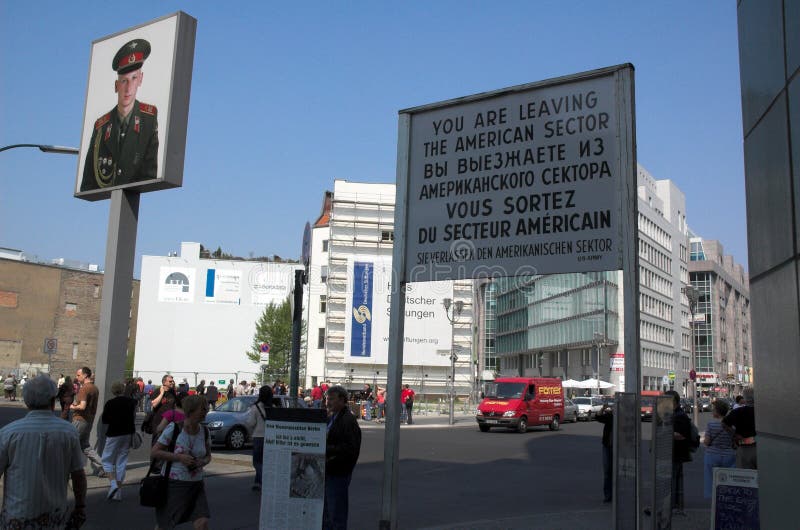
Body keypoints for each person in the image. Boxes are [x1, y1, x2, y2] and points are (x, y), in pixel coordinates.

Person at [0, 375, 87, 528]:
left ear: (27, 402)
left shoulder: (9, 433)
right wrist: (80, 507)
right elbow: (78, 475)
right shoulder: (69, 432)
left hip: (17, 518)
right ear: (53, 401)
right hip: (55, 518)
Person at [80, 38, 158, 192]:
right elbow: (88, 184)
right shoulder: (101, 127)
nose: (128, 88)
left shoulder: (148, 119)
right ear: (116, 86)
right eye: (124, 81)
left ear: (140, 79)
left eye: (133, 79)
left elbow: (150, 175)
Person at [151, 395, 212, 530]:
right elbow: (155, 452)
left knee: (202, 523)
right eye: (202, 409)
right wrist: (179, 458)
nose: (206, 412)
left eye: (206, 409)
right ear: (191, 410)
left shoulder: (205, 431)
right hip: (175, 484)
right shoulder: (174, 428)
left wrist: (202, 462)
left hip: (197, 484)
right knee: (165, 525)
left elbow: (208, 456)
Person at [323, 386, 362, 530]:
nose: (327, 402)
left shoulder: (347, 420)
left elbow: (350, 449)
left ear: (342, 400)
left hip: (338, 472)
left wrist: (327, 449)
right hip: (329, 470)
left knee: (336, 513)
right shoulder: (332, 417)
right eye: (327, 399)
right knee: (327, 512)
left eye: (331, 399)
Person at [100, 381, 137, 501]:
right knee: (121, 462)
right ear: (123, 389)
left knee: (106, 460)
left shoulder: (110, 403)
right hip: (128, 433)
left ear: (113, 391)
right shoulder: (132, 402)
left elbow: (105, 420)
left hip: (114, 433)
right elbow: (134, 417)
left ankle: (113, 484)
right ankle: (118, 492)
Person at [71, 366, 105, 476]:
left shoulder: (84, 388)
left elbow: (82, 406)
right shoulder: (94, 388)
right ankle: (105, 466)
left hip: (79, 420)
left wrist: (72, 406)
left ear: (85, 375)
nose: (76, 377)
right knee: (85, 446)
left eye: (78, 375)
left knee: (70, 444)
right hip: (88, 421)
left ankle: (70, 470)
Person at [702, 399, 736, 499]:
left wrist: (704, 441)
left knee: (710, 480)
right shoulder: (732, 425)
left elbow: (707, 442)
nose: (712, 411)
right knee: (728, 480)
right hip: (729, 456)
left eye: (713, 410)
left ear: (717, 412)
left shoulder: (711, 424)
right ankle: (726, 498)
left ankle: (713, 499)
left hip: (712, 455)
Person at [665, 390, 691, 514]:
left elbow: (680, 435)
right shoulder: (675, 413)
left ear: (673, 401)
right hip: (674, 452)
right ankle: (674, 505)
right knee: (674, 478)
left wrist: (666, 433)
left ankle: (671, 505)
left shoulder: (679, 416)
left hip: (675, 452)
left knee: (672, 479)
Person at [244, 385, 273, 491]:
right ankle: (257, 483)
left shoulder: (255, 407)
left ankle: (263, 480)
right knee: (266, 461)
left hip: (258, 437)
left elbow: (251, 423)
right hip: (270, 438)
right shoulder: (273, 407)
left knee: (257, 462)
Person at [722, 387, 757, 469]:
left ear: (745, 399)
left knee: (745, 474)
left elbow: (724, 424)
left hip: (744, 447)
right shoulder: (761, 411)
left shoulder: (738, 411)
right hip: (761, 447)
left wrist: (734, 434)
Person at [596, 402, 614, 503]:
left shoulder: (622, 418)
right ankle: (608, 495)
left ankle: (615, 494)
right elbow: (598, 417)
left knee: (615, 472)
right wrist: (603, 408)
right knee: (607, 472)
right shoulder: (609, 416)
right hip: (607, 446)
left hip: (618, 447)